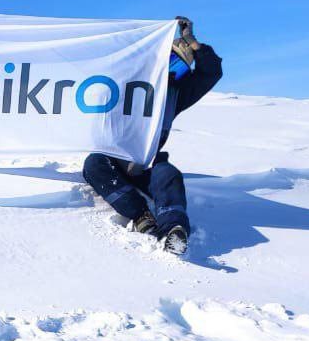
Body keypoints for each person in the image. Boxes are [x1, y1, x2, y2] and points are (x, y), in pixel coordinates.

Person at [82, 17, 222, 255]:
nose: (171, 72)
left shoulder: (177, 93)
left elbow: (210, 72)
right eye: (170, 62)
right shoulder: (123, 83)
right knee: (93, 165)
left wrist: (192, 43)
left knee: (168, 175)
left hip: (147, 161)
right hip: (113, 158)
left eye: (180, 67)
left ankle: (174, 229)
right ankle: (141, 216)